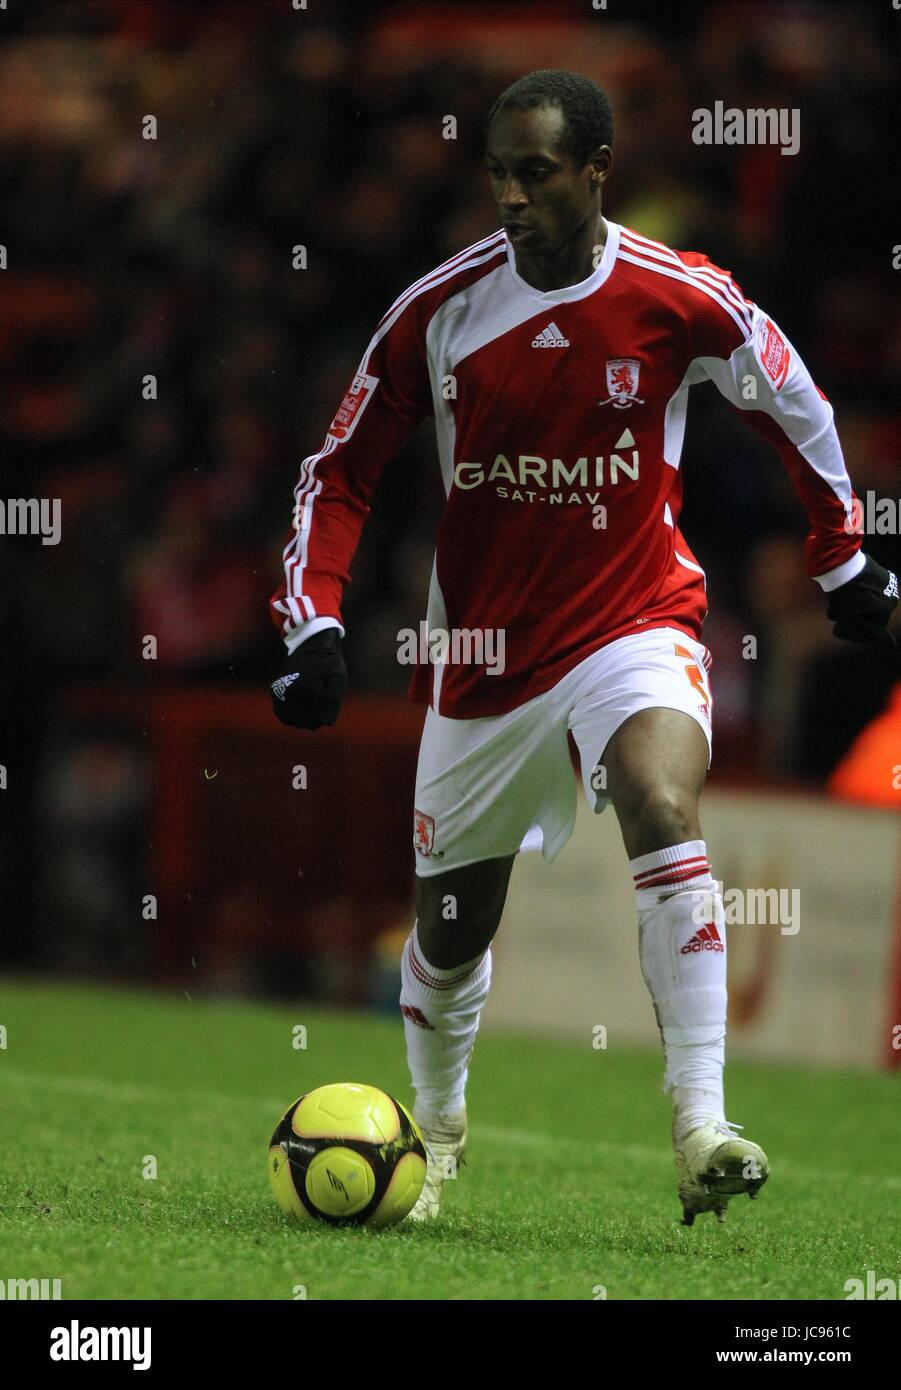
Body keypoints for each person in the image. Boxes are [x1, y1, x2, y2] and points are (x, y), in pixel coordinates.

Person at [269, 70, 898, 1224]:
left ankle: (701, 1121)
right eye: (498, 173)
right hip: (486, 659)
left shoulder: (675, 294)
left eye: (536, 173)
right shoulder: (438, 311)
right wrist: (310, 621)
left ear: (597, 171)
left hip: (634, 619)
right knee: (450, 932)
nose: (509, 196)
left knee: (662, 802)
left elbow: (792, 395)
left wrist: (841, 555)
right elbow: (340, 470)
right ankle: (439, 1129)